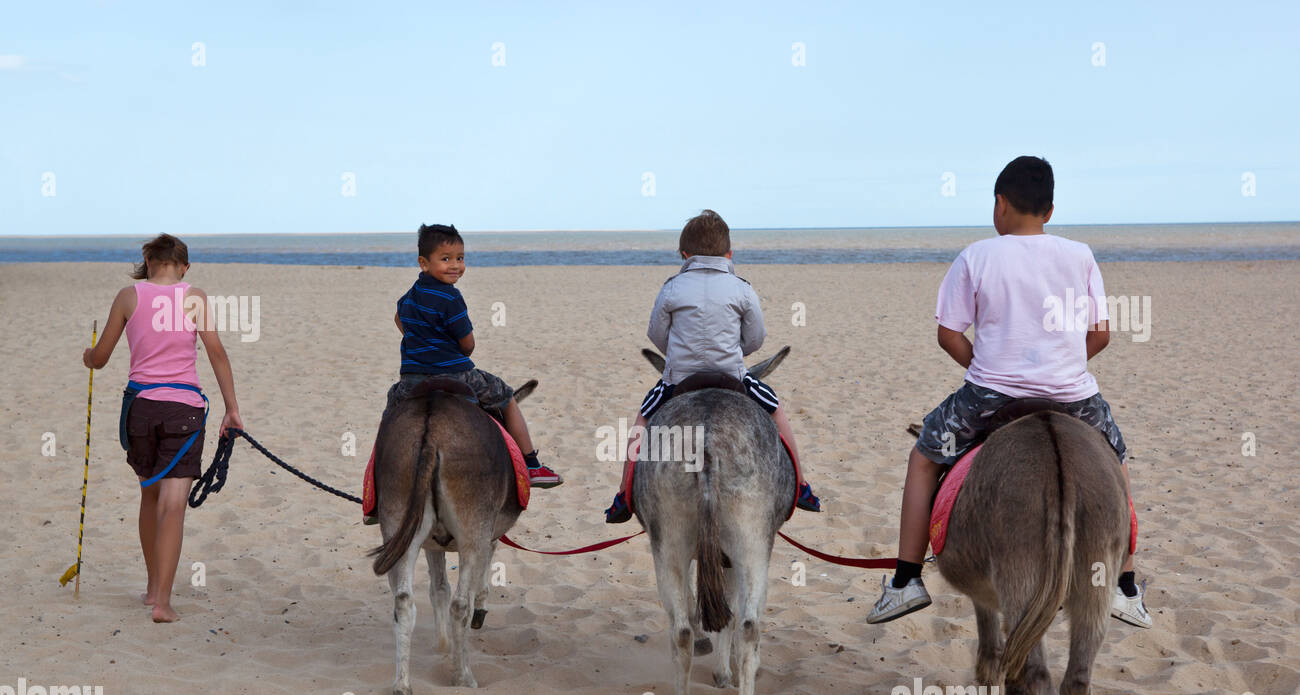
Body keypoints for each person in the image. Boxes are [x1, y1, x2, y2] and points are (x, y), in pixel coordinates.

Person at [866, 156, 1150, 628]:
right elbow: (1100, 335)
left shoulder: (976, 256)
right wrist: (1064, 366)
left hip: (990, 395)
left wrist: (986, 366)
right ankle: (1124, 585)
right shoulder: (1080, 255)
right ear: (1050, 211)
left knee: (924, 456)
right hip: (1073, 396)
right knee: (1117, 462)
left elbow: (948, 335)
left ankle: (905, 581)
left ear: (1000, 203)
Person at [605, 209, 819, 523]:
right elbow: (756, 337)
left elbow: (656, 334)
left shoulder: (672, 287)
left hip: (679, 378)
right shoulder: (743, 288)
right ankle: (800, 485)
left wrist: (677, 355)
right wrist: (735, 351)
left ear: (684, 254)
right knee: (776, 411)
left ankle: (624, 494)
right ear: (729, 254)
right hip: (732, 375)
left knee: (643, 418)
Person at [81, 233, 243, 623]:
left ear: (149, 263)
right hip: (183, 410)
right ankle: (163, 604)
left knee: (149, 498)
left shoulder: (127, 296)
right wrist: (232, 408)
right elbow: (216, 352)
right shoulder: (195, 297)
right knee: (174, 506)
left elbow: (100, 358)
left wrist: (88, 355)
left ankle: (153, 586)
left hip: (141, 410)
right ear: (184, 267)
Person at [384, 223, 560, 484]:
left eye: (460, 258)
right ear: (424, 262)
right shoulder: (451, 298)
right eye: (446, 259)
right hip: (456, 376)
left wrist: (420, 341)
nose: (455, 265)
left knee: (390, 413)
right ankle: (531, 464)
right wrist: (450, 347)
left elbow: (399, 319)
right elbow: (468, 345)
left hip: (412, 380)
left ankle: (378, 481)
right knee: (506, 395)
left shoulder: (408, 296)